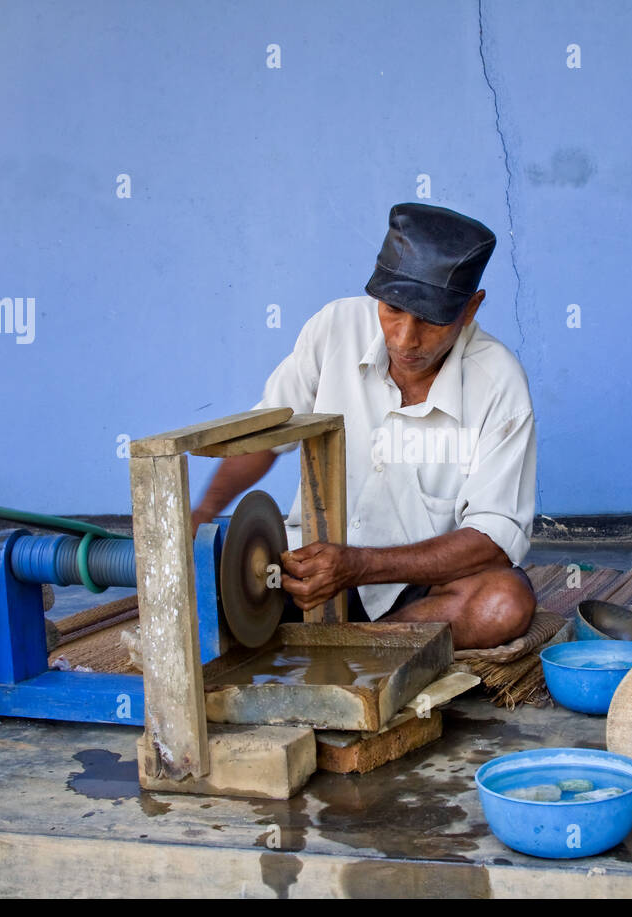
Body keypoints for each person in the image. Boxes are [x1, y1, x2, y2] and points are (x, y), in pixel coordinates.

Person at [191, 203, 537, 649]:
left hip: (413, 585)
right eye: (392, 309)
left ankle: (360, 645)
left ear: (471, 308)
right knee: (197, 585)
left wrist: (358, 565)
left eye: (431, 320)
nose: (405, 339)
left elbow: (494, 538)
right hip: (303, 568)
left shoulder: (498, 381)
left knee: (503, 604)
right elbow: (264, 432)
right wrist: (201, 514)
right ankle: (374, 649)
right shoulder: (334, 327)